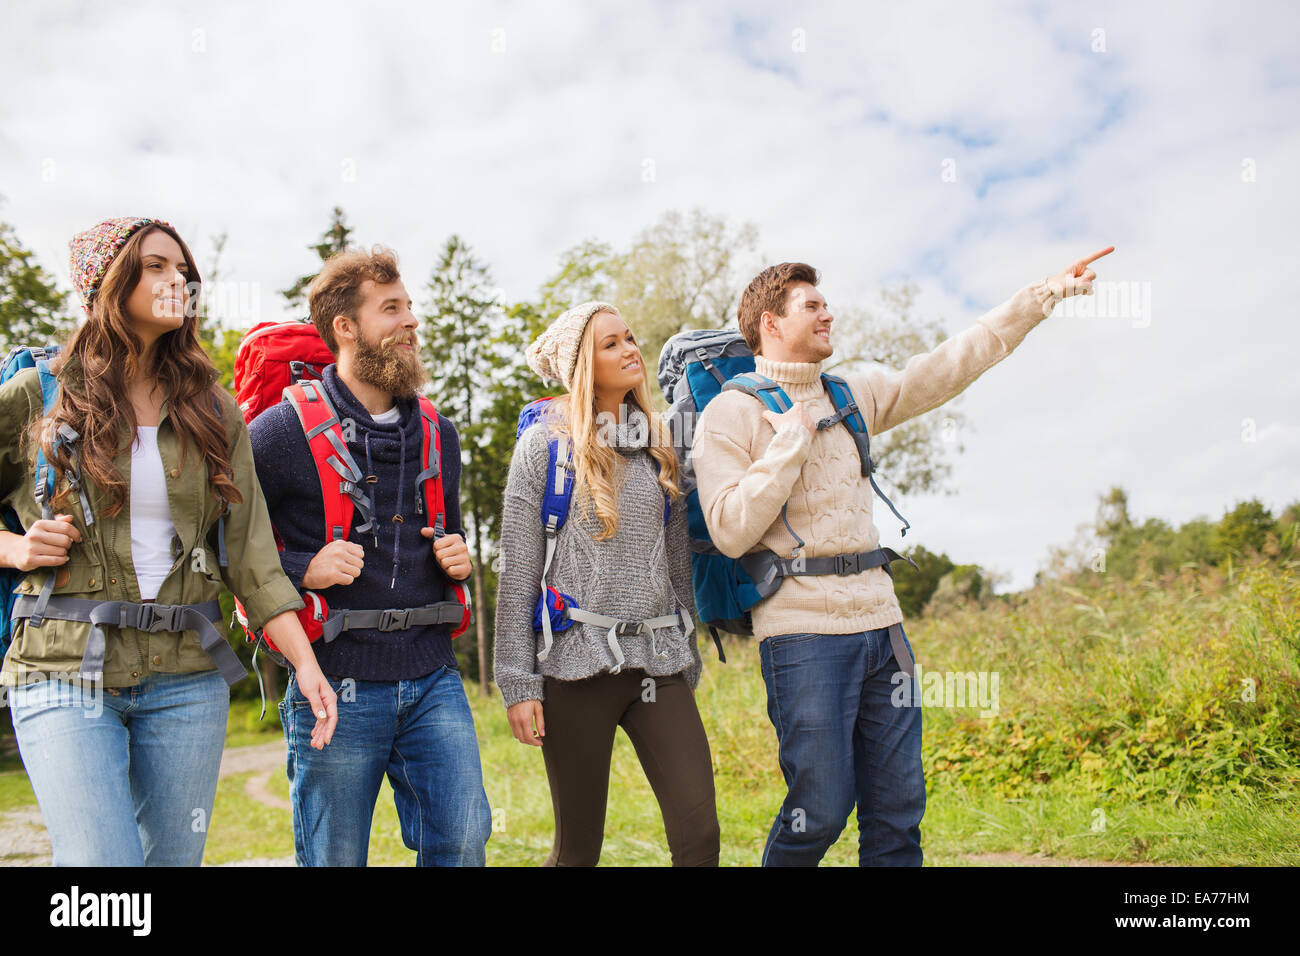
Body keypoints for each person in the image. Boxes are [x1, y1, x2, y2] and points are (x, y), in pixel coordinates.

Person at [690, 248, 1113, 866]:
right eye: (812, 306)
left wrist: (1041, 297)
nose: (828, 314)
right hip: (802, 637)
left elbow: (948, 364)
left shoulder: (851, 393)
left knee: (897, 812)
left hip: (882, 629)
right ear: (770, 325)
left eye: (826, 302)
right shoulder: (730, 413)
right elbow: (728, 530)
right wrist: (788, 446)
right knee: (822, 810)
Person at [0, 216, 336, 867]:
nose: (175, 278)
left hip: (188, 675)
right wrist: (13, 550)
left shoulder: (213, 410)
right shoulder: (35, 395)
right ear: (105, 282)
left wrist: (307, 664)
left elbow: (253, 557)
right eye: (155, 265)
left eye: (182, 269)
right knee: (105, 868)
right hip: (63, 664)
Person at [248, 245, 491, 867]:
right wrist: (304, 567)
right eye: (392, 309)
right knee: (335, 858)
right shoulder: (277, 433)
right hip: (335, 679)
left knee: (462, 842)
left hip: (433, 675)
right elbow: (237, 553)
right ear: (346, 328)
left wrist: (458, 557)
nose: (411, 320)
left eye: (409, 306)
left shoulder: (440, 432)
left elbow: (451, 536)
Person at [494, 300, 720, 867]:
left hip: (658, 664)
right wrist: (517, 682)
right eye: (612, 343)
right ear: (582, 364)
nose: (630, 350)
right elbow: (518, 572)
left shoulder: (657, 446)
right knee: (578, 852)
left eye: (631, 338)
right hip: (574, 667)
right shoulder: (543, 448)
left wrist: (687, 654)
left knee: (699, 838)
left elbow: (675, 567)